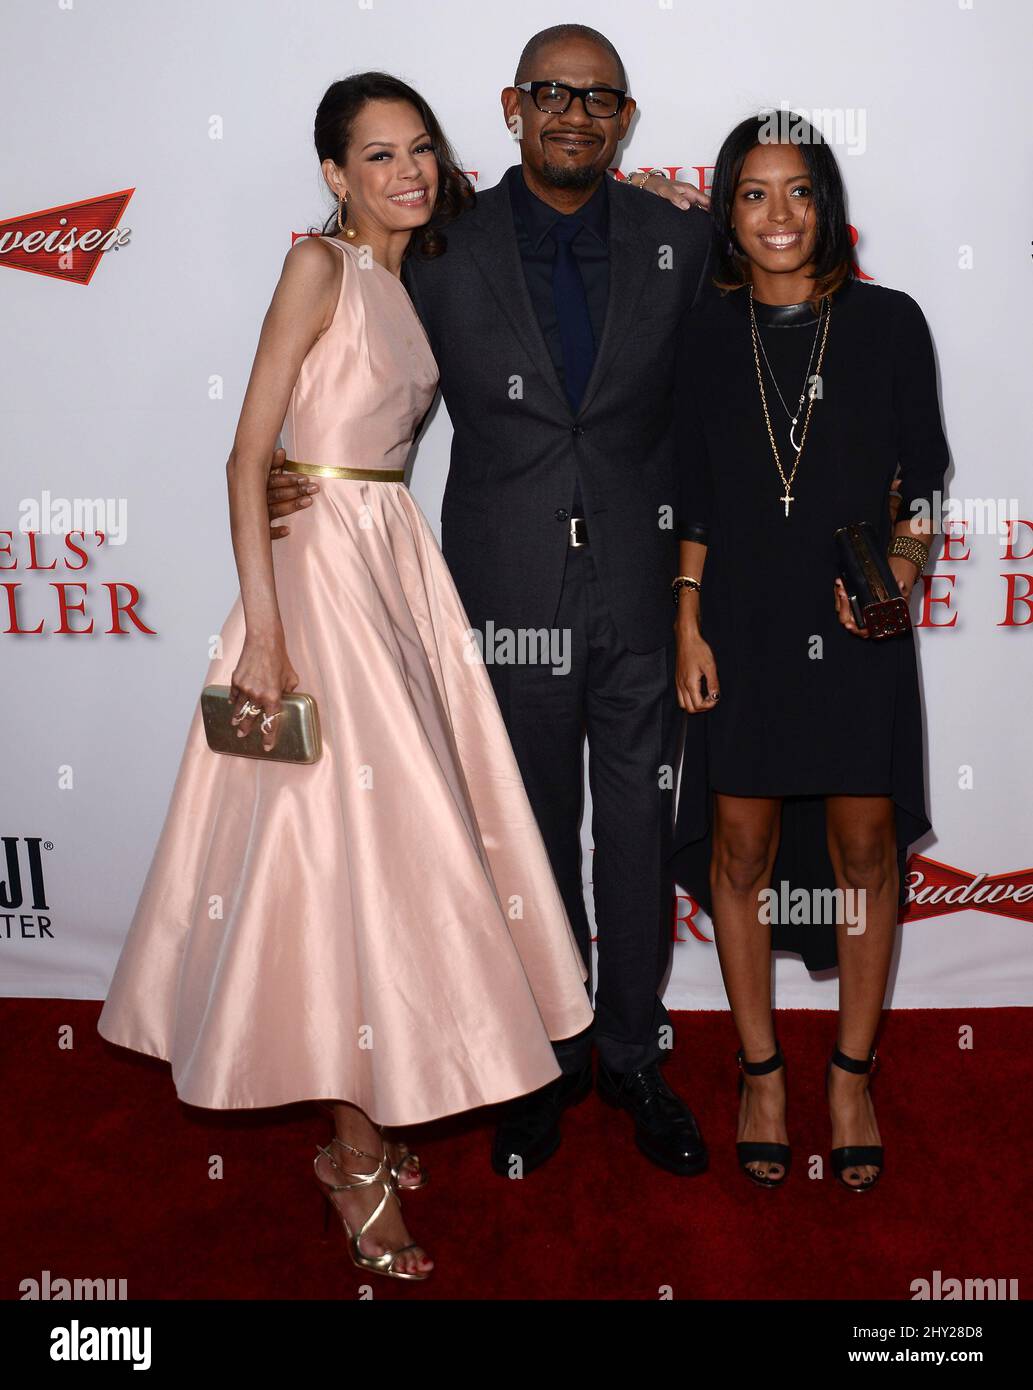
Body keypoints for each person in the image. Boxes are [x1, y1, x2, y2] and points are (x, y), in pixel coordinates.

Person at [97, 72, 594, 1282]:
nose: (405, 172)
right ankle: (354, 1157)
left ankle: (365, 1118)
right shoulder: (318, 269)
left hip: (389, 568)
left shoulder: (409, 276)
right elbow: (247, 452)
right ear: (333, 175)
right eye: (376, 156)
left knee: (394, 863)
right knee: (335, 876)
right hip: (316, 586)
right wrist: (267, 637)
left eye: (418, 150)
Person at [268, 24, 715, 1179]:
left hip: (637, 579)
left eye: (598, 98)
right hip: (497, 582)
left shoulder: (679, 235)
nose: (574, 113)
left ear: (623, 117)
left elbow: (731, 399)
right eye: (551, 94)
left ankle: (631, 1051)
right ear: (512, 105)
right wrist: (296, 469)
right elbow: (336, 325)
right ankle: (547, 1057)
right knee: (520, 838)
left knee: (634, 828)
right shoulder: (439, 236)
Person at [668, 113, 949, 1191]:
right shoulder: (703, 335)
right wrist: (687, 618)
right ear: (727, 214)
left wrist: (905, 572)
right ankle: (759, 1074)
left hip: (852, 617)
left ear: (826, 205)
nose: (778, 214)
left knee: (865, 853)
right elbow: (689, 495)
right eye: (752, 192)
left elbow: (919, 475)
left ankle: (849, 1074)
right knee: (736, 850)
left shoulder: (887, 323)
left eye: (798, 191)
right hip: (737, 619)